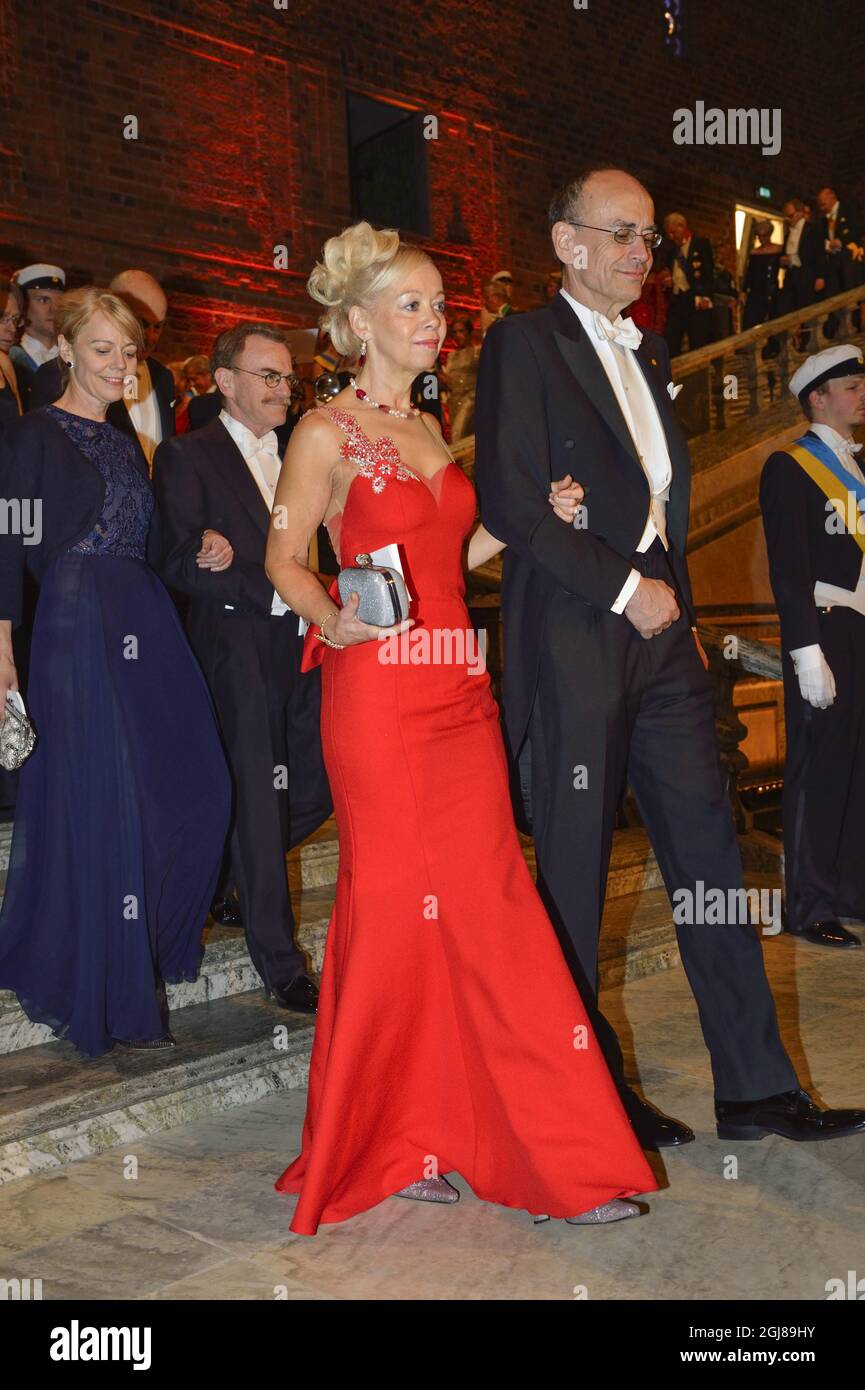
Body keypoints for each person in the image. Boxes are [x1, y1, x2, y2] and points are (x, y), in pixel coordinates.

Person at [266, 220, 656, 1235]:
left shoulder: (433, 428)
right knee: (399, 914)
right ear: (359, 323)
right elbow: (283, 559)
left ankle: (538, 1151)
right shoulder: (322, 432)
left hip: (455, 692)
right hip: (377, 697)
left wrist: (533, 517)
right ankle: (396, 1142)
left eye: (440, 305)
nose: (436, 320)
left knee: (490, 909)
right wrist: (331, 619)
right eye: (413, 305)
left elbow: (450, 556)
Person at [474, 167, 865, 1149]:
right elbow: (510, 504)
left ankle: (755, 1087)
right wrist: (623, 589)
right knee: (574, 871)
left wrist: (671, 604)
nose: (641, 253)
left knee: (708, 858)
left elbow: (655, 500)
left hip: (663, 633)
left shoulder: (648, 354)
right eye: (622, 233)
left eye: (648, 236)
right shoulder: (523, 342)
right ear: (566, 242)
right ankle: (586, 1092)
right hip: (576, 629)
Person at [0, 287, 231, 1055]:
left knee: (199, 784)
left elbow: (152, 545)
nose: (118, 364)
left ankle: (149, 946)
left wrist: (201, 547)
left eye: (128, 352)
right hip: (77, 622)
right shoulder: (33, 434)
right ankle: (109, 979)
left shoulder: (128, 439)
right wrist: (2, 651)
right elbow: (7, 544)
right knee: (106, 798)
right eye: (102, 349)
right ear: (65, 349)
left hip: (145, 616)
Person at [153, 323, 331, 1012]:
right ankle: (280, 964)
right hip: (238, 646)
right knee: (259, 799)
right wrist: (217, 559)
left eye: (288, 376)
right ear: (225, 381)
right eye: (269, 376)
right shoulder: (186, 454)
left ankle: (227, 872)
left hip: (309, 642)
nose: (285, 388)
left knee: (320, 779)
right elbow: (174, 558)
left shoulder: (303, 450)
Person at [760, 345, 865, 949]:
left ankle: (851, 891)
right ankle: (810, 903)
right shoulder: (790, 466)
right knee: (818, 769)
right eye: (850, 386)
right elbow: (788, 570)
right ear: (817, 398)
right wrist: (805, 651)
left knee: (855, 765)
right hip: (824, 629)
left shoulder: (858, 466)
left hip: (861, 627)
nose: (861, 394)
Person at [29, 269, 175, 473]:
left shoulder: (163, 378)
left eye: (158, 326)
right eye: (103, 350)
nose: (150, 336)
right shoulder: (31, 431)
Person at [660, 212, 719, 353]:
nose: (671, 237)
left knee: (698, 341)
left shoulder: (700, 244)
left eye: (673, 232)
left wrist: (706, 296)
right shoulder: (671, 250)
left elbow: (708, 272)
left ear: (682, 226)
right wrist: (667, 280)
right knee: (671, 341)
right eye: (668, 233)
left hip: (695, 299)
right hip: (676, 301)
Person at [8, 263, 65, 403]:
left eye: (60, 301)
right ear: (23, 305)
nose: (54, 309)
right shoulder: (11, 357)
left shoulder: (72, 358)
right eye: (43, 300)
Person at [779, 199, 827, 313]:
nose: (788, 219)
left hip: (807, 275)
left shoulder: (813, 229)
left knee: (807, 308)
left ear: (800, 213)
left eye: (791, 216)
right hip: (791, 275)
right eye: (786, 216)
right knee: (787, 308)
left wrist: (820, 277)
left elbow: (819, 254)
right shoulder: (788, 233)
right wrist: (783, 260)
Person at [441, 314, 479, 442]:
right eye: (455, 332)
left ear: (469, 332)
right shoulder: (451, 356)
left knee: (460, 432)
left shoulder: (477, 352)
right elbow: (451, 380)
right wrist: (443, 380)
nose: (458, 335)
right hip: (454, 402)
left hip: (471, 400)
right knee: (458, 436)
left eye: (461, 331)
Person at [741, 219, 784, 330]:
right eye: (759, 236)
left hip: (771, 289)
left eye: (764, 236)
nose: (761, 239)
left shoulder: (778, 250)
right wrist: (743, 291)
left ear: (769, 235)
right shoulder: (755, 253)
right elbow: (750, 273)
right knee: (751, 320)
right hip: (756, 291)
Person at [0, 281, 24, 433]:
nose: (12, 329)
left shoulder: (4, 363)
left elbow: (19, 435)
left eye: (15, 319)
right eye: (2, 318)